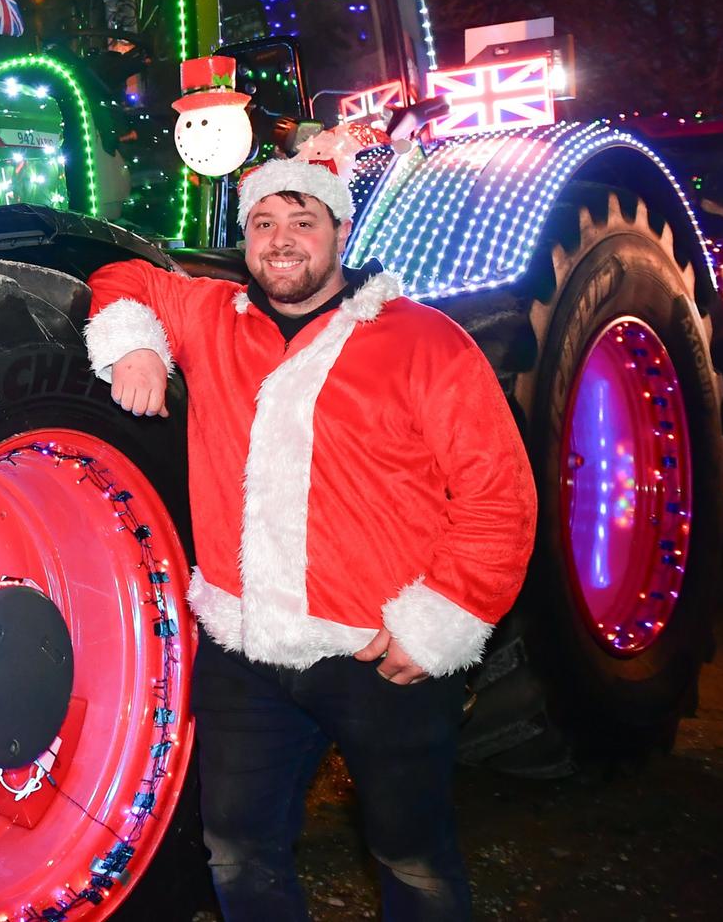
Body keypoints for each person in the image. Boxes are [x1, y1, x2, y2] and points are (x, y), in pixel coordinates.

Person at [84, 150, 537, 922]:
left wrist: (437, 623)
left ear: (341, 229)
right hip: (248, 659)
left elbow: (501, 496)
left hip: (378, 657)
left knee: (414, 861)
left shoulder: (424, 340)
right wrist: (135, 345)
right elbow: (121, 277)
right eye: (264, 222)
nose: (281, 239)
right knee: (237, 851)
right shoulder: (211, 317)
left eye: (303, 220)